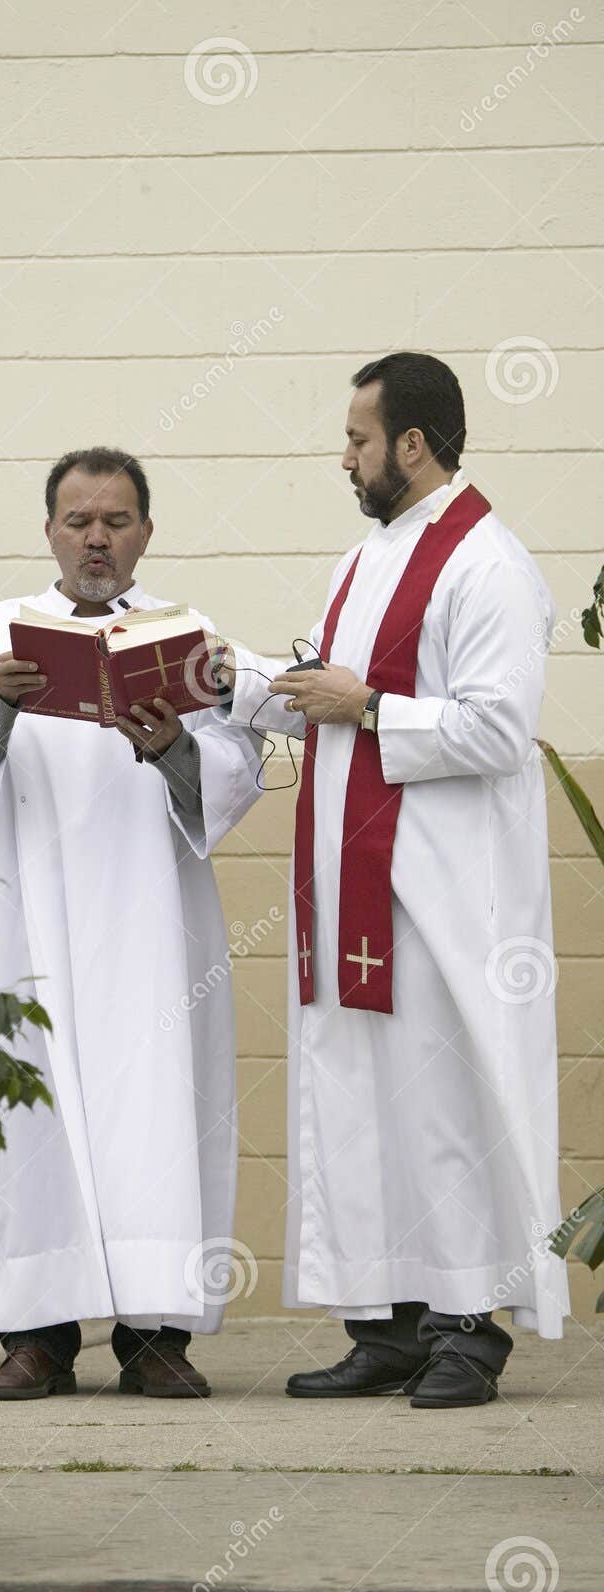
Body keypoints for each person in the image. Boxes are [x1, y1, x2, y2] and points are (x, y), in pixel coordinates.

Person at [217, 353, 568, 1408]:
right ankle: (388, 1321)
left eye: (358, 439)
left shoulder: (487, 565)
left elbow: (498, 729)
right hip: (356, 884)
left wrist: (366, 706)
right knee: (364, 1099)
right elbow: (335, 698)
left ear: (411, 444)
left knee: (445, 1104)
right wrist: (229, 682)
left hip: (446, 892)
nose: (345, 456)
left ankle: (470, 1325)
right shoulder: (363, 558)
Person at [0, 447, 263, 1400]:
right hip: (29, 913)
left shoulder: (188, 634)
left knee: (157, 1112)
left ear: (146, 533)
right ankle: (36, 1336)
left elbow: (240, 769)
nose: (97, 538)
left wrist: (172, 746)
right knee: (31, 1114)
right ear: (50, 532)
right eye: (79, 521)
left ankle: (155, 1337)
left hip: (155, 921)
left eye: (116, 521)